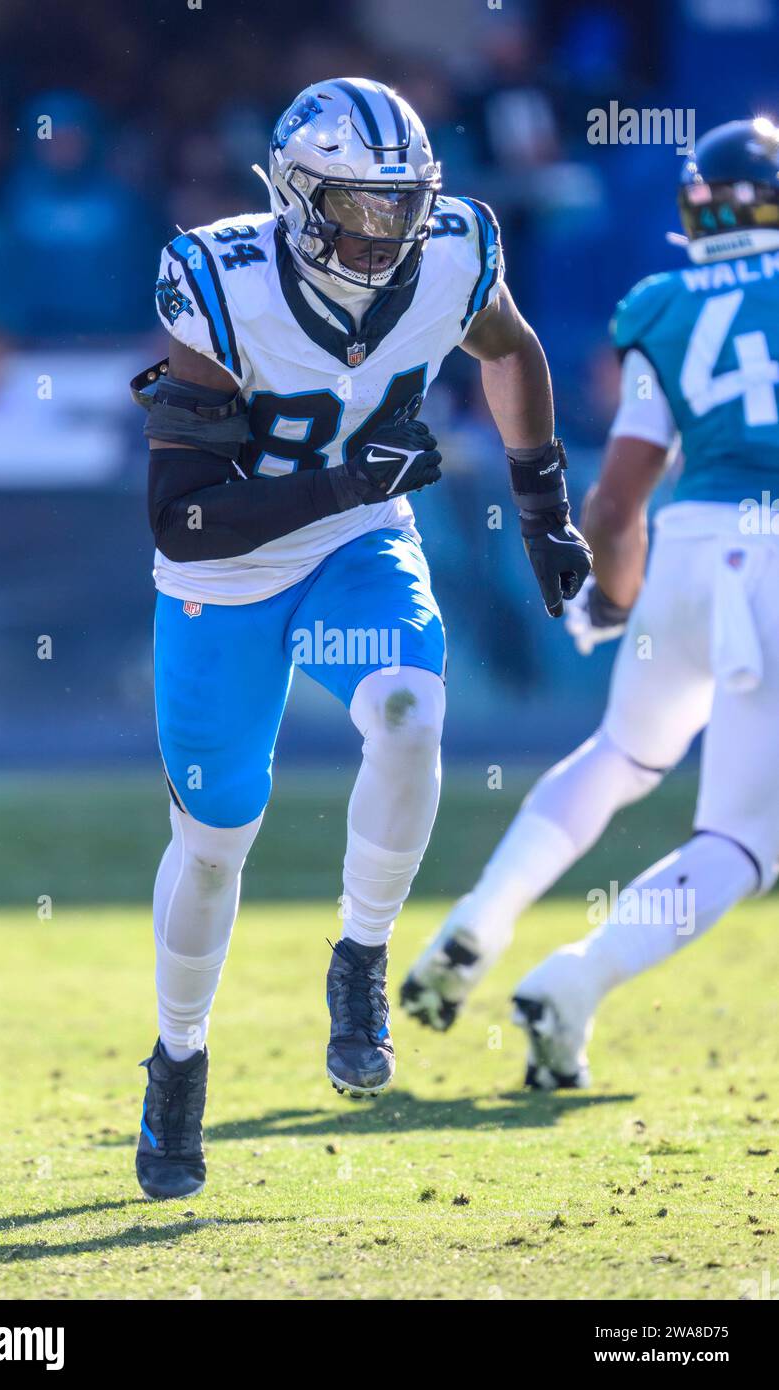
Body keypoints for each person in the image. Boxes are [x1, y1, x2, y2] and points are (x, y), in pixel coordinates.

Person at [132, 77, 591, 1197]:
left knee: (408, 711)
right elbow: (182, 520)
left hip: (355, 546)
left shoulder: (451, 250)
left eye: (403, 204)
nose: (388, 232)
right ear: (296, 194)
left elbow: (511, 348)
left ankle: (360, 955)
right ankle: (179, 1059)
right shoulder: (219, 280)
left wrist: (543, 510)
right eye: (362, 206)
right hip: (225, 580)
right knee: (214, 842)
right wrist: (345, 475)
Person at [400, 118, 779, 1090]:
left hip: (686, 556)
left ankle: (477, 918)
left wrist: (613, 602)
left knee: (619, 753)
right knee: (739, 837)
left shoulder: (660, 301)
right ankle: (574, 979)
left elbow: (614, 506)